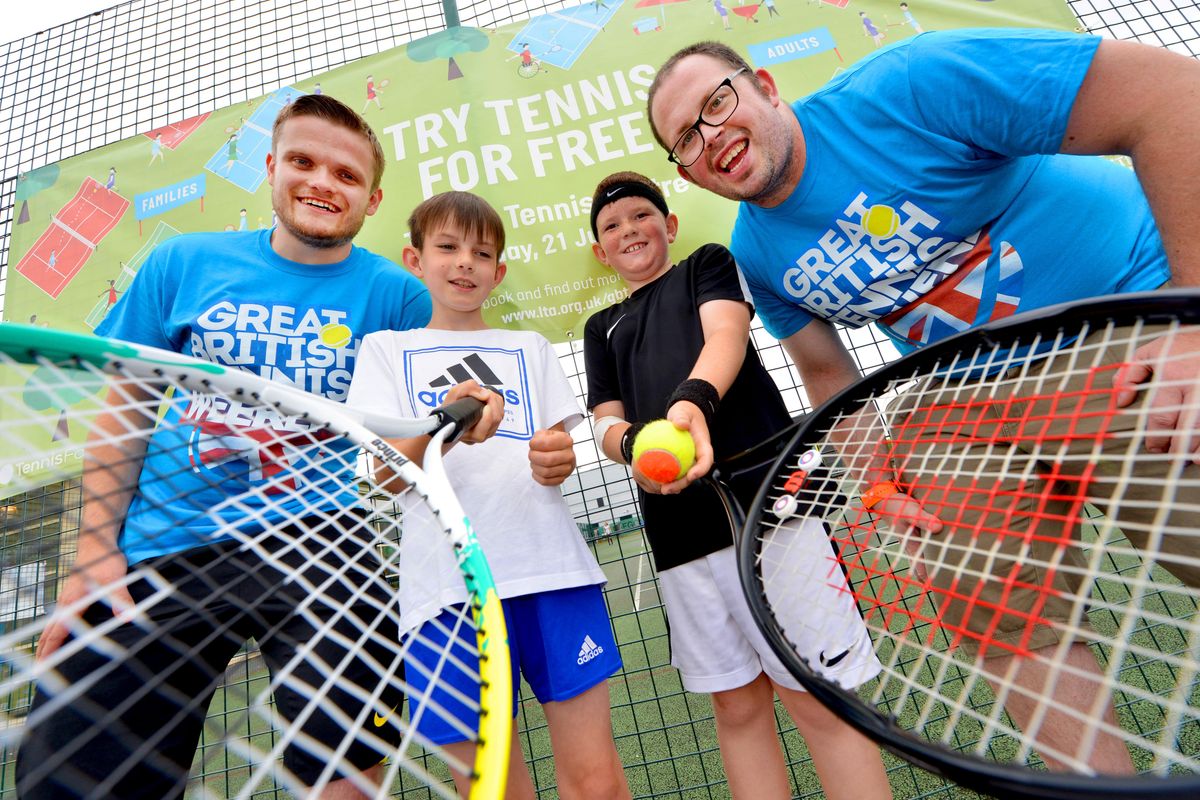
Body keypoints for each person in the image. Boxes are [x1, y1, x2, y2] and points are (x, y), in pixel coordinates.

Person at [646, 32, 1200, 772]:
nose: (711, 137)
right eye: (686, 139)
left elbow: (1170, 94)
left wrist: (1188, 315)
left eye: (717, 103)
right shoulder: (758, 254)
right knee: (987, 594)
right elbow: (828, 378)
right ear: (687, 171)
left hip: (1128, 316)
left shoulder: (909, 85)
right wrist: (878, 480)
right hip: (967, 390)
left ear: (767, 87)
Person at [16, 93, 434, 799]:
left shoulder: (399, 297)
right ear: (270, 168)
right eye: (303, 162)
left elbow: (408, 430)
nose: (322, 183)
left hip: (319, 538)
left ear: (371, 199)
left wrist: (462, 418)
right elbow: (127, 408)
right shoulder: (181, 262)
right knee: (73, 778)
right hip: (166, 539)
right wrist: (91, 548)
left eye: (346, 175)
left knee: (346, 767)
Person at [582, 171, 889, 800]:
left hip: (776, 509)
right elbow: (605, 426)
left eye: (641, 216)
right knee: (738, 709)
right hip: (680, 537)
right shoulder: (602, 327)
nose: (628, 230)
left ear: (668, 227)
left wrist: (691, 401)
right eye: (611, 226)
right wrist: (635, 445)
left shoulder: (707, 265)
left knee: (820, 701)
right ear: (599, 251)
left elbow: (726, 333)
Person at [346, 191, 630, 800]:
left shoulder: (529, 347)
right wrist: (448, 427)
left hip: (552, 574)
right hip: (446, 593)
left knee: (597, 781)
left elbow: (556, 456)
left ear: (498, 272)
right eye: (446, 247)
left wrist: (557, 460)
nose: (463, 263)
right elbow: (385, 475)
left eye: (481, 253)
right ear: (413, 259)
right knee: (494, 789)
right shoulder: (385, 352)